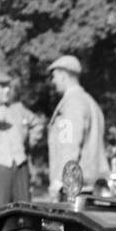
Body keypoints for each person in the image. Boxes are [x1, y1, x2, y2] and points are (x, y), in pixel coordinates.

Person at [0, 64, 44, 231]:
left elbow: (36, 123)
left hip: (19, 163)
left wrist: (28, 141)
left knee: (24, 208)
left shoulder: (15, 109)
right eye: (1, 86)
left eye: (7, 85)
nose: (7, 90)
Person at [47, 53, 108, 196]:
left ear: (63, 75)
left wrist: (60, 180)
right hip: (91, 184)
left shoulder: (72, 103)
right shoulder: (90, 101)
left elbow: (69, 143)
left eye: (54, 76)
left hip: (74, 188)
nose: (53, 81)